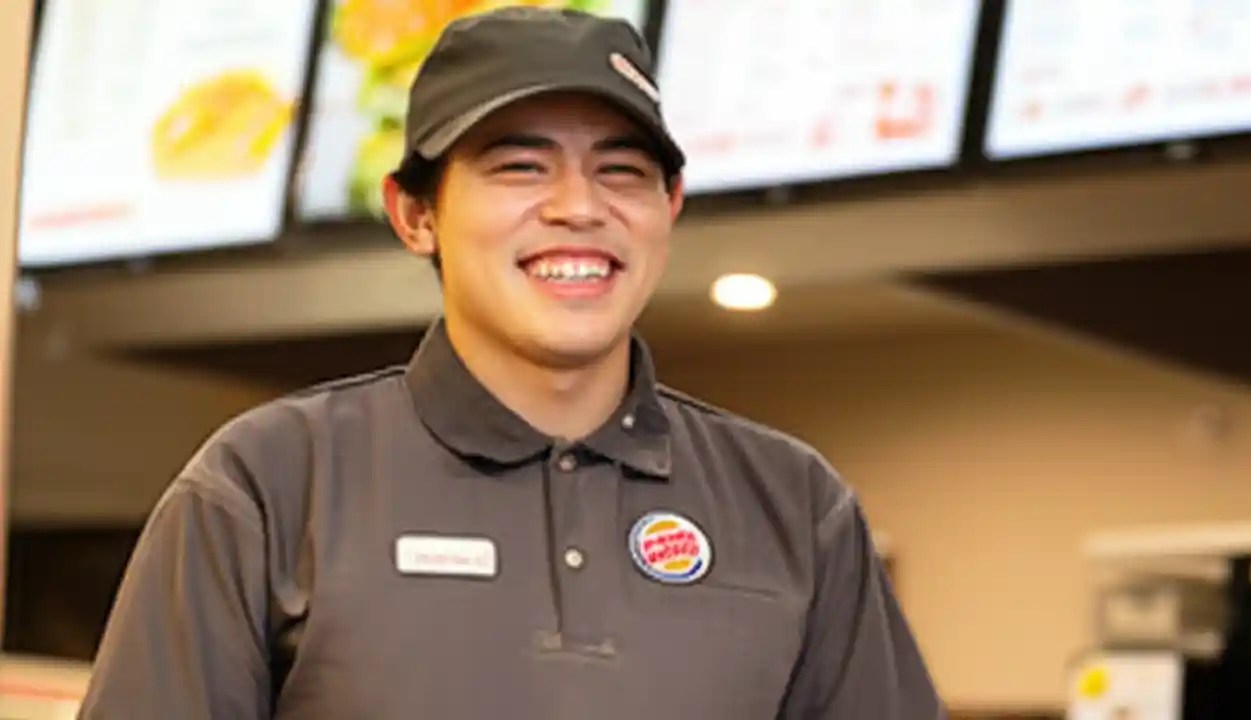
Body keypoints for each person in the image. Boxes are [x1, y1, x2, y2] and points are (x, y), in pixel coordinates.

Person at [78, 8, 943, 719]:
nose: (579, 207)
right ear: (415, 213)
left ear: (669, 207)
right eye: (520, 166)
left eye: (623, 171)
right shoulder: (265, 486)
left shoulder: (796, 508)